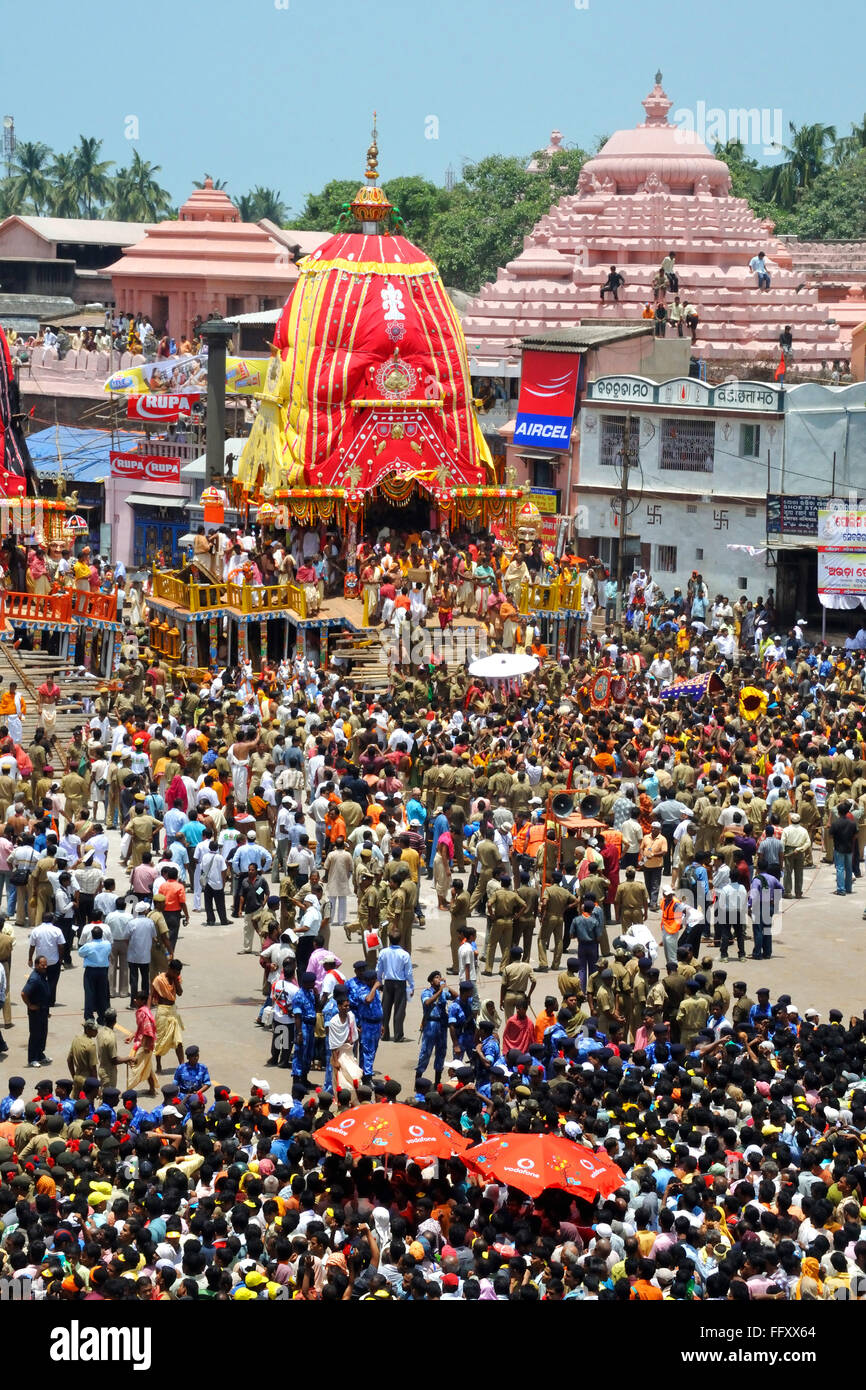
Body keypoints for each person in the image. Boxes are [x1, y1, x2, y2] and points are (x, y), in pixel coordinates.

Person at [20, 954, 52, 1067]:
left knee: (43, 1034)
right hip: (36, 1012)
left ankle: (40, 1055)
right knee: (35, 1035)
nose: (45, 967)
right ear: (37, 965)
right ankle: (32, 1058)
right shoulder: (34, 978)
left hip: (43, 1011)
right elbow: (24, 993)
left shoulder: (42, 975)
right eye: (43, 965)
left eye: (46, 965)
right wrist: (30, 1005)